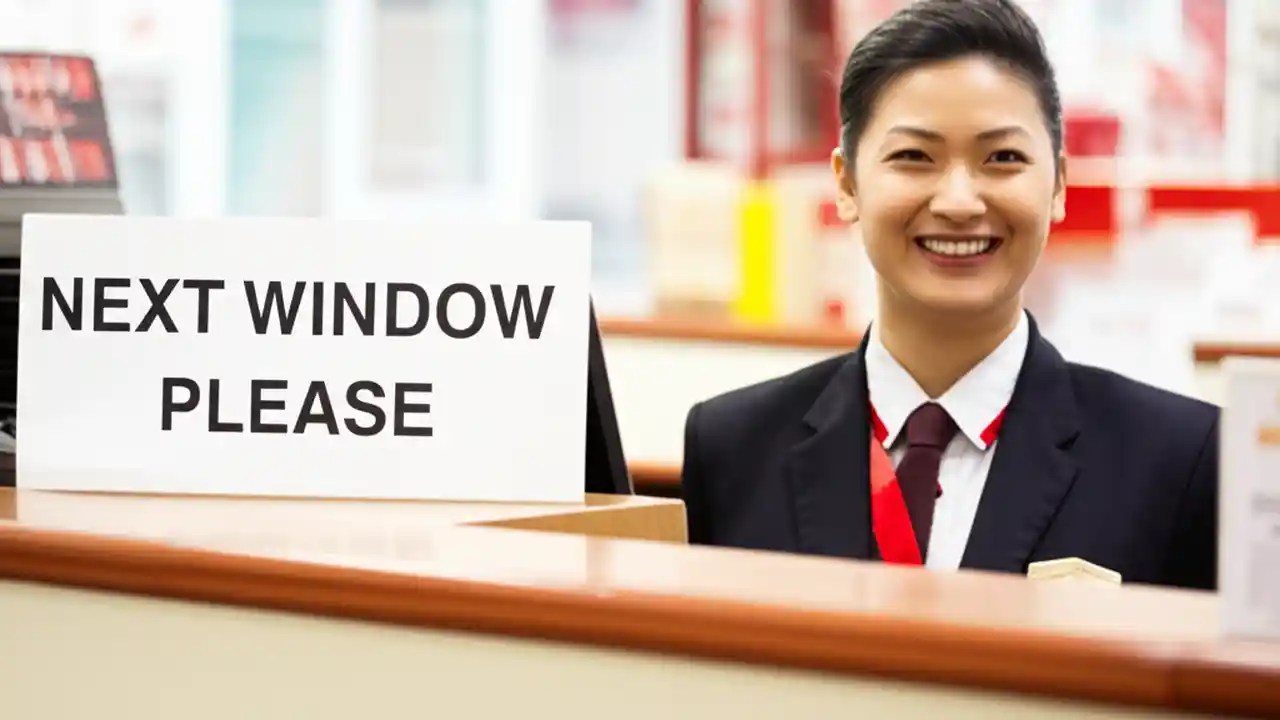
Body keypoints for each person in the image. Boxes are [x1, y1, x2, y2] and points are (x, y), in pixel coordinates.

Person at [679, 0, 1218, 590]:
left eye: (1002, 158)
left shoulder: (1178, 461)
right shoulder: (733, 448)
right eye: (914, 157)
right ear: (847, 183)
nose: (959, 202)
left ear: (1058, 184)